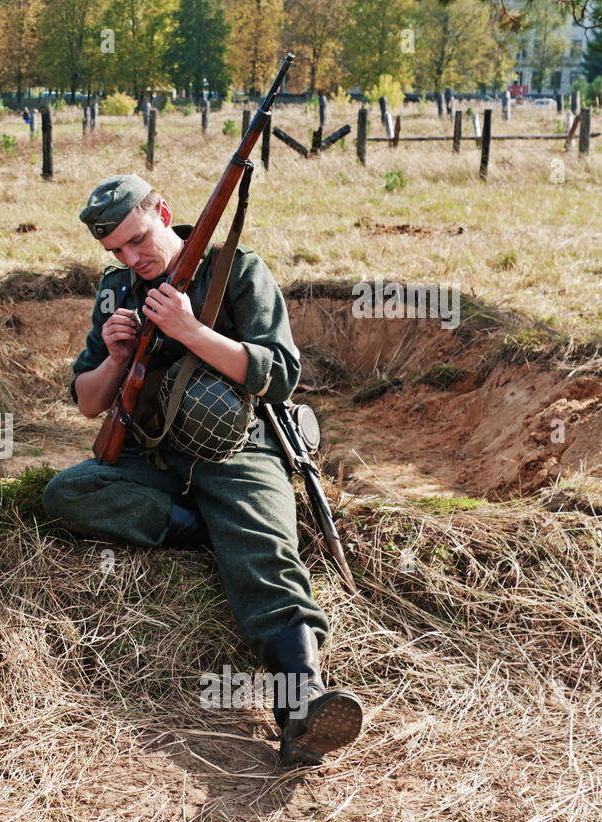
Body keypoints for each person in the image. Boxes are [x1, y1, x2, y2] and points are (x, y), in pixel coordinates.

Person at [42, 174, 363, 766]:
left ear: (163, 211)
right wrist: (115, 358)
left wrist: (191, 331)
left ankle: (302, 707)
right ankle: (204, 526)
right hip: (153, 455)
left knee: (267, 552)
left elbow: (280, 373)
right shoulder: (117, 291)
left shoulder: (236, 270)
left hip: (236, 448)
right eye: (115, 250)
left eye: (138, 240)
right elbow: (88, 402)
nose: (131, 258)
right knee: (69, 492)